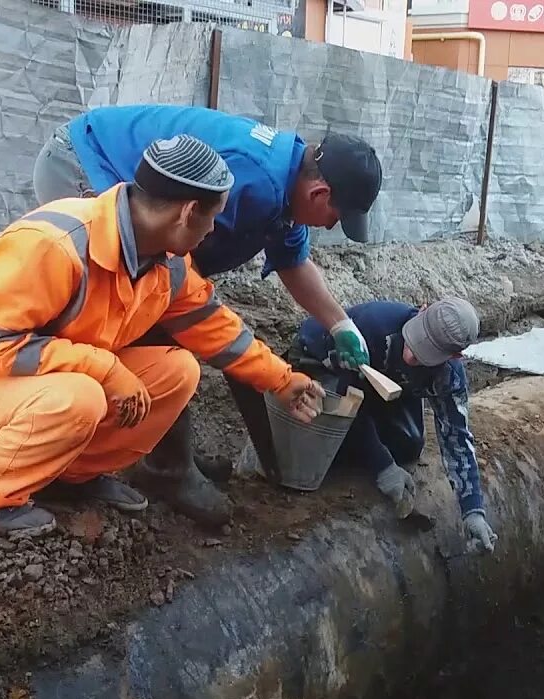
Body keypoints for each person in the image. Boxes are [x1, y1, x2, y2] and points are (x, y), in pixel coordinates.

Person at [0, 135, 325, 537]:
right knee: (82, 396)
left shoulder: (168, 260)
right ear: (187, 212)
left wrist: (282, 380)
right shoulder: (56, 246)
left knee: (177, 371)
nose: (212, 230)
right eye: (212, 217)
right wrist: (105, 367)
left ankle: (68, 475)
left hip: (36, 391)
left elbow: (214, 326)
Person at [31, 103, 383, 528]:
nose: (330, 228)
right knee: (143, 312)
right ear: (319, 194)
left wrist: (339, 323)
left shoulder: (285, 185)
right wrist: (244, 355)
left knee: (171, 314)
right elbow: (179, 289)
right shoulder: (256, 180)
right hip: (86, 160)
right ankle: (159, 467)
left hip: (107, 158)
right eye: (336, 218)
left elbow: (292, 262)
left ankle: (157, 448)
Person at [283, 298, 498, 554]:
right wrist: (383, 465)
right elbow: (347, 401)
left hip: (380, 383)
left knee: (409, 444)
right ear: (423, 309)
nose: (410, 355)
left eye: (424, 353)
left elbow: (457, 437)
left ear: (454, 356)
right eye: (415, 340)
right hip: (321, 364)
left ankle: (357, 449)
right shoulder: (373, 325)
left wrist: (472, 510)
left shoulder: (448, 375)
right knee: (325, 443)